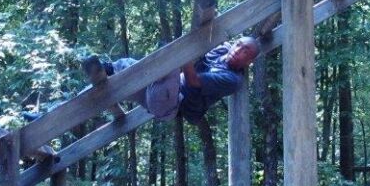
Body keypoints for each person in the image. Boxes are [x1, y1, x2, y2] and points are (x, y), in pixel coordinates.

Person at [82, 36, 260, 123]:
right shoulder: (224, 51)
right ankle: (88, 89)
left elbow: (194, 81)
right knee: (129, 66)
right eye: (239, 45)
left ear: (249, 61)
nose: (238, 50)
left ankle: (164, 58)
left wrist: (179, 53)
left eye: (246, 52)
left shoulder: (232, 80)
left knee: (172, 63)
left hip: (168, 103)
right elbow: (211, 37)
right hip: (153, 90)